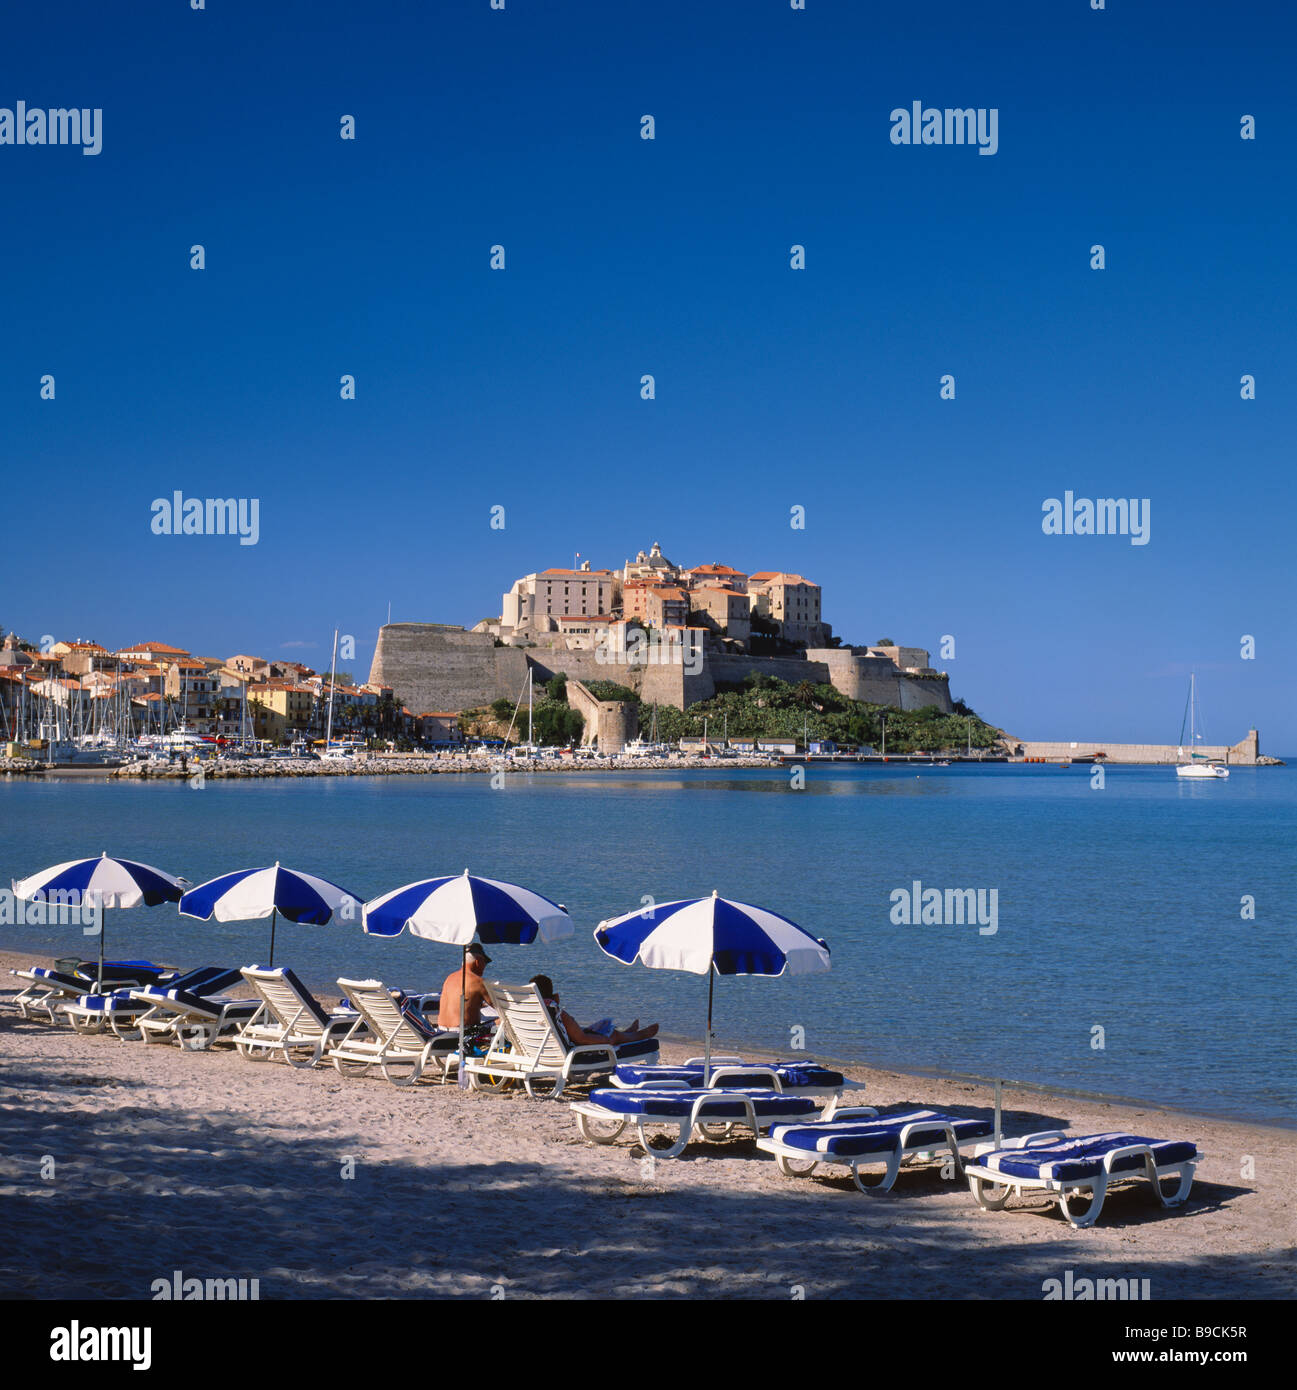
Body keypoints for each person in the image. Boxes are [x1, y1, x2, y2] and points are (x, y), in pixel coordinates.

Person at [529, 974, 658, 1045]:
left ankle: (628, 1033)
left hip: (540, 1049)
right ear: (554, 996)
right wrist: (607, 1040)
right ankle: (639, 1035)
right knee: (613, 1035)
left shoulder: (528, 1009)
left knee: (593, 1029)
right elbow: (581, 1039)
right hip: (575, 1050)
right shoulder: (553, 1010)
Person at [438, 944, 492, 1029]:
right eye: (485, 963)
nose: (485, 967)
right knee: (500, 1022)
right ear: (477, 962)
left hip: (441, 1031)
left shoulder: (449, 978)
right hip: (462, 1034)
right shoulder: (478, 981)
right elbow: (499, 1007)